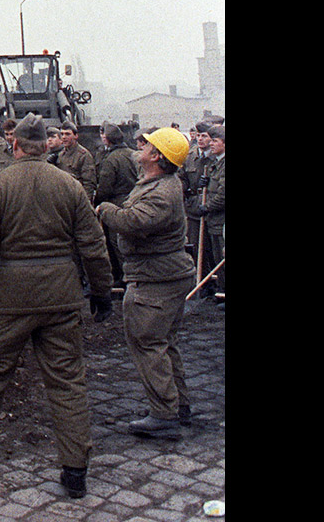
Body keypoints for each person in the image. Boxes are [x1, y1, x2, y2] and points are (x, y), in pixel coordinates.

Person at [0, 115, 114, 501]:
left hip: (11, 298)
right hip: (62, 295)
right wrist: (102, 293)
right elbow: (93, 245)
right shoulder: (69, 185)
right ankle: (75, 472)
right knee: (68, 381)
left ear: (16, 146)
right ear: (46, 145)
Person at [97, 126, 196, 439]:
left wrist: (106, 209)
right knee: (164, 343)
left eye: (148, 145)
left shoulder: (162, 192)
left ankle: (165, 414)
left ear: (156, 156)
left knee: (149, 343)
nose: (141, 147)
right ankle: (177, 405)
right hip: (161, 274)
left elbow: (131, 222)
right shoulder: (158, 183)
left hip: (156, 278)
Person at [93, 124, 141, 287]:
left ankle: (126, 279)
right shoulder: (133, 154)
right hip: (134, 200)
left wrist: (97, 202)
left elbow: (105, 187)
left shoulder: (111, 159)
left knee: (116, 243)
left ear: (107, 139)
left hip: (115, 204)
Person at [184, 123, 224, 304]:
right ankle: (212, 286)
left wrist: (207, 206)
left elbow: (222, 194)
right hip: (203, 212)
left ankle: (221, 289)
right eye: (198, 136)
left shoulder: (220, 163)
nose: (208, 143)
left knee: (219, 254)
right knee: (206, 252)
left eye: (213, 140)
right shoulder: (197, 158)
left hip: (216, 214)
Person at [46, 123, 98, 203]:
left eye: (68, 134)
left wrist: (85, 204)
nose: (64, 137)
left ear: (76, 136)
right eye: (62, 134)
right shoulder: (60, 155)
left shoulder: (84, 156)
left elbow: (89, 184)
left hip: (77, 200)